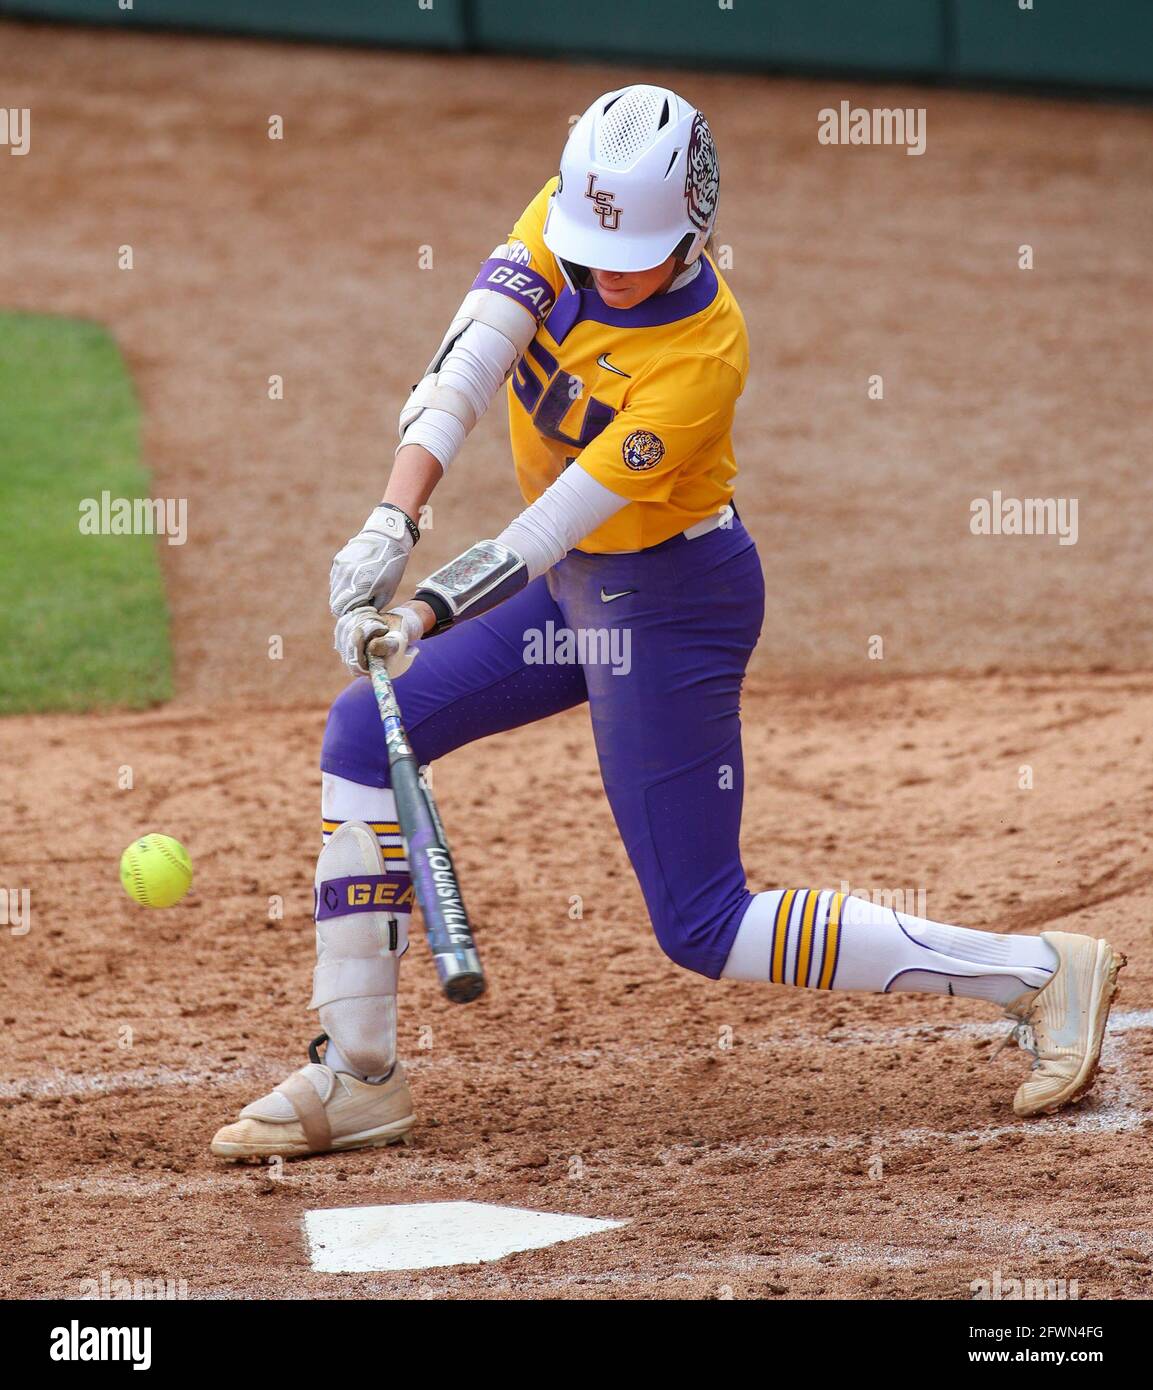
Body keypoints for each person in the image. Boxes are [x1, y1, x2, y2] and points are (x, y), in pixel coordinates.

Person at [211, 84, 1124, 1159]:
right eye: (591, 243)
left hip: (669, 606)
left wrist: (420, 609)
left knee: (701, 922)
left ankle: (1039, 973)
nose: (603, 268)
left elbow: (549, 527)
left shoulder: (703, 354)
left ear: (694, 229)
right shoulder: (565, 221)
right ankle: (359, 1075)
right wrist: (388, 519)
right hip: (571, 595)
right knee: (362, 733)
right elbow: (463, 369)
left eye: (631, 249)